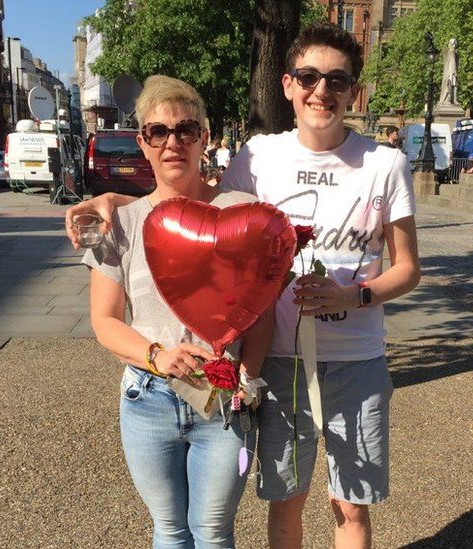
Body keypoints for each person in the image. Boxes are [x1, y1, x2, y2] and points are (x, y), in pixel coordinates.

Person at [66, 22, 420, 549]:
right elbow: (188, 203)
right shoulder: (258, 156)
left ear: (353, 89)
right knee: (280, 503)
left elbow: (408, 267)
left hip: (349, 359)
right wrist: (119, 203)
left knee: (348, 506)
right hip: (276, 363)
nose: (321, 90)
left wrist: (351, 296)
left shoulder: (385, 163)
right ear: (288, 84)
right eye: (308, 77)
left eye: (337, 80)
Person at [80, 75, 273, 548]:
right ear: (142, 142)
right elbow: (104, 320)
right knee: (169, 529)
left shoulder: (240, 212)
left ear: (204, 138)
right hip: (148, 398)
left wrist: (247, 379)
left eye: (186, 130)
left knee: (213, 531)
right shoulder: (119, 224)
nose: (173, 143)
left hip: (222, 401)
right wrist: (158, 356)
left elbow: (263, 312)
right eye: (158, 132)